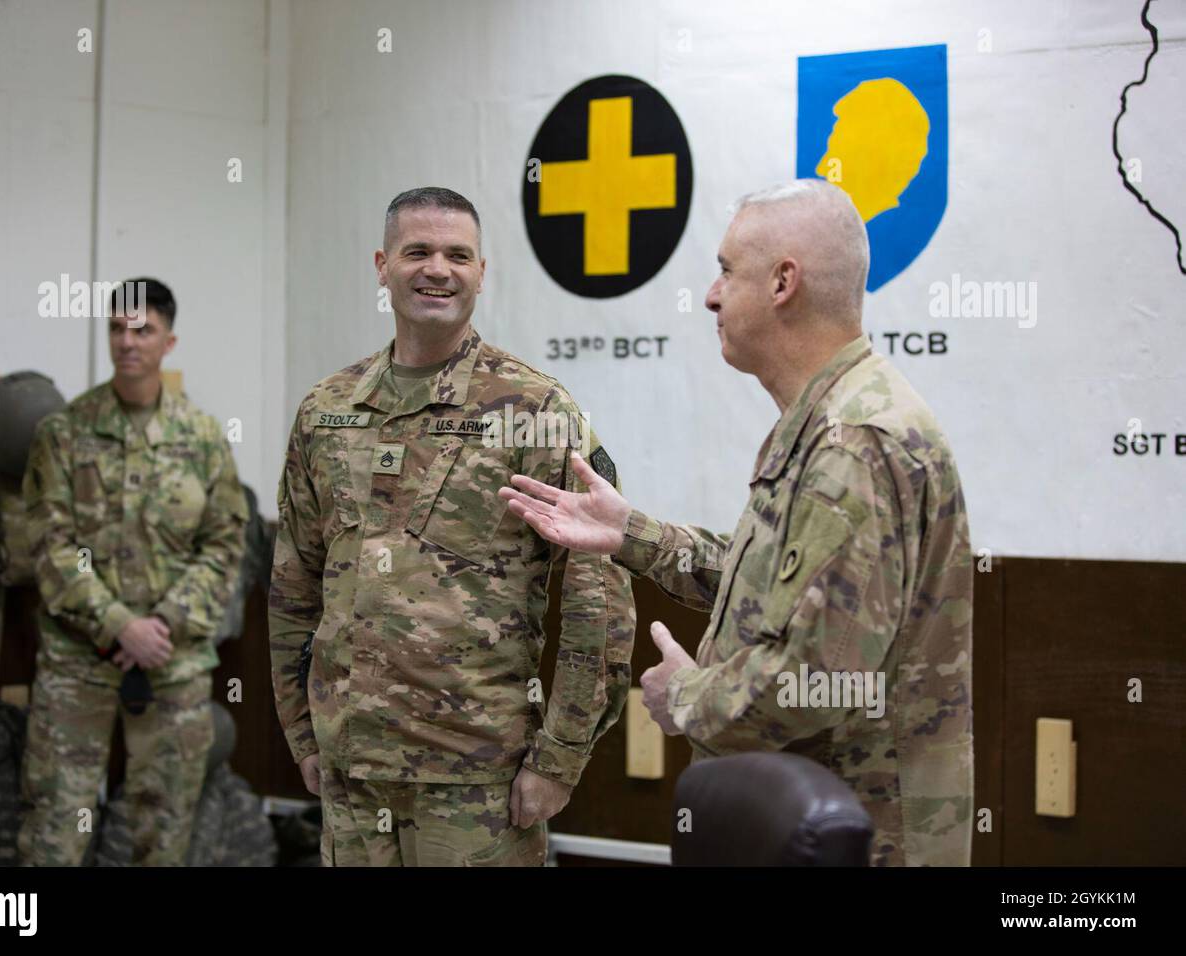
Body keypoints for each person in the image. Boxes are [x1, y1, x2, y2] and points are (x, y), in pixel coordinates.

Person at [501, 180, 973, 866]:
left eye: (726, 270)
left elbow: (817, 676)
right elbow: (780, 594)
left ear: (784, 282)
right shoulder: (824, 420)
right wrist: (630, 532)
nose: (712, 295)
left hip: (864, 838)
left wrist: (684, 697)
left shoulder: (853, 441)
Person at [269, 187, 636, 866]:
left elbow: (598, 599)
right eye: (417, 251)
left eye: (457, 255)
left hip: (477, 780)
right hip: (351, 767)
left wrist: (559, 758)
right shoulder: (326, 410)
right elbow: (295, 583)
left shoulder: (535, 409)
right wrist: (301, 734)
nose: (437, 268)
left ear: (481, 272)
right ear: (382, 265)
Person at [19, 278, 247, 865]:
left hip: (173, 656)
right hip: (78, 658)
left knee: (164, 827)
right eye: (118, 329)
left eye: (142, 329)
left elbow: (224, 543)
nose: (128, 341)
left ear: (169, 341)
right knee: (55, 823)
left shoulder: (201, 439)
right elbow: (48, 543)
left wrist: (162, 623)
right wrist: (119, 623)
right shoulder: (64, 434)